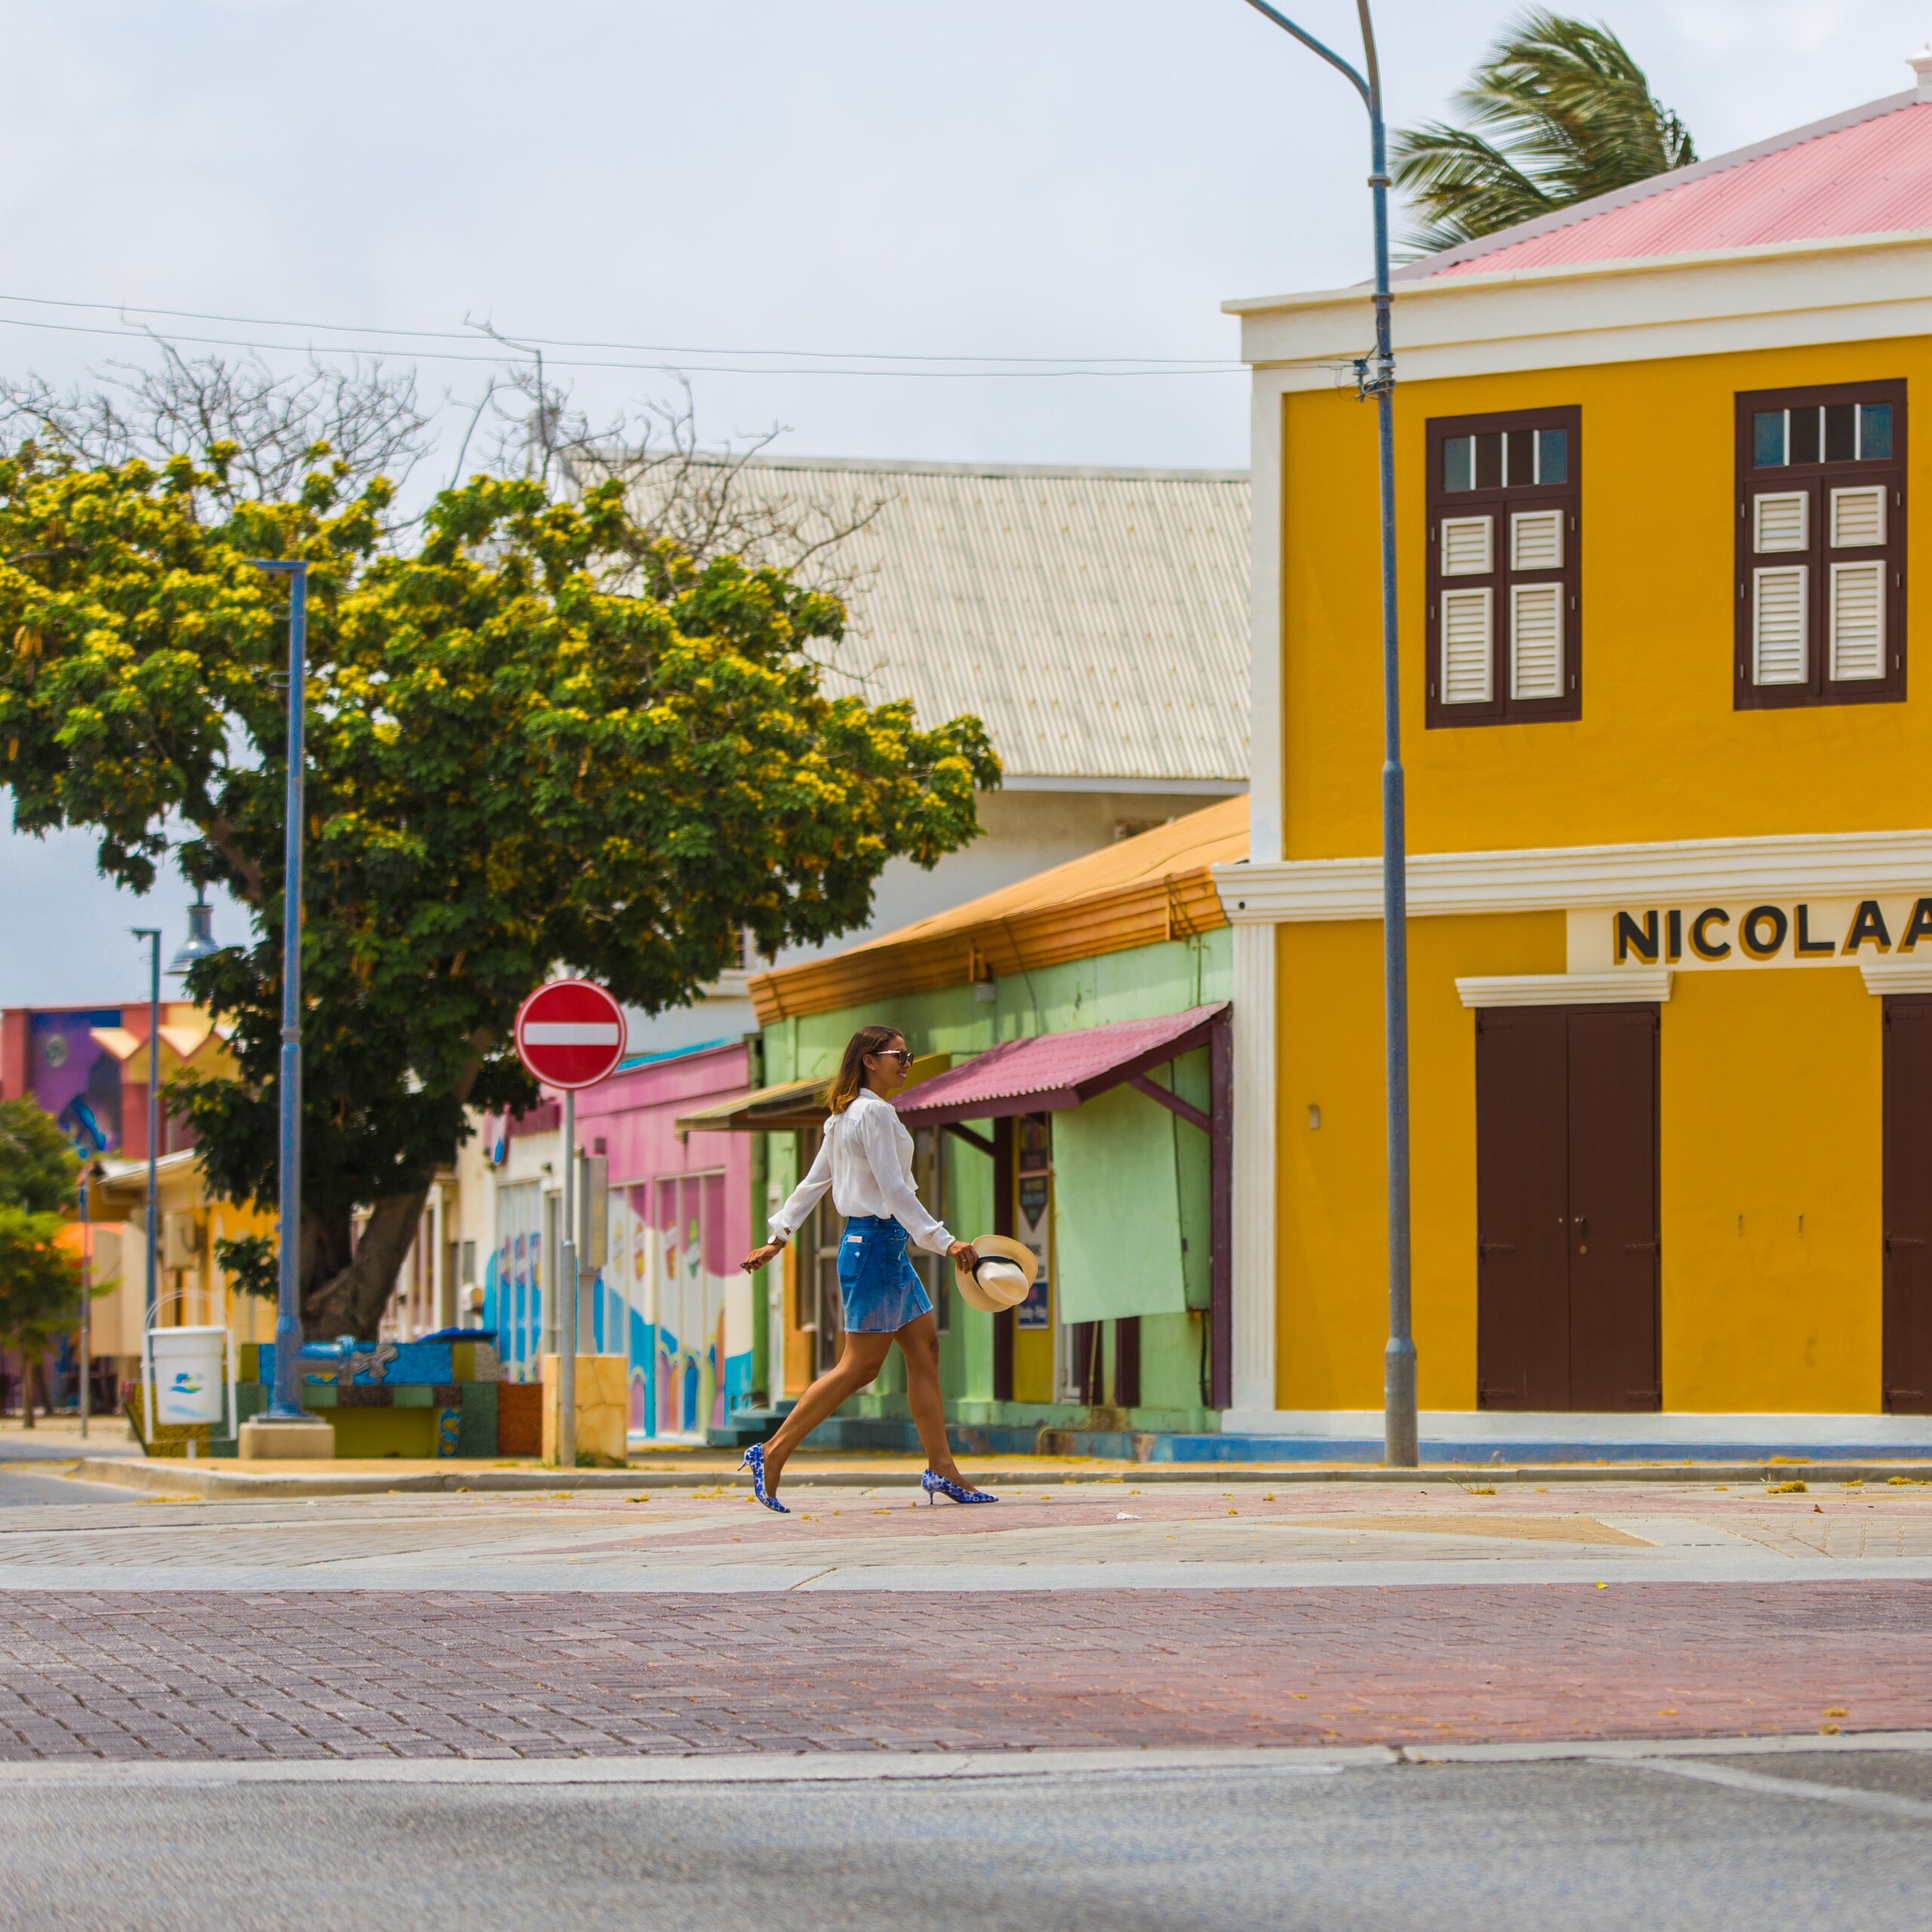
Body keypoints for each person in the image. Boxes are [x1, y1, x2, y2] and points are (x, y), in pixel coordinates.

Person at [738, 1023, 995, 1513]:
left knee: (924, 1349)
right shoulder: (871, 1114)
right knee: (860, 1367)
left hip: (882, 1246)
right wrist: (944, 1241)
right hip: (875, 1245)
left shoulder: (847, 1115)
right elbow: (894, 1189)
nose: (906, 1062)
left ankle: (942, 1469)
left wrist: (778, 1238)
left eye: (908, 1053)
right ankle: (771, 1451)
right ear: (869, 1060)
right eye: (897, 1054)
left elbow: (815, 1182)